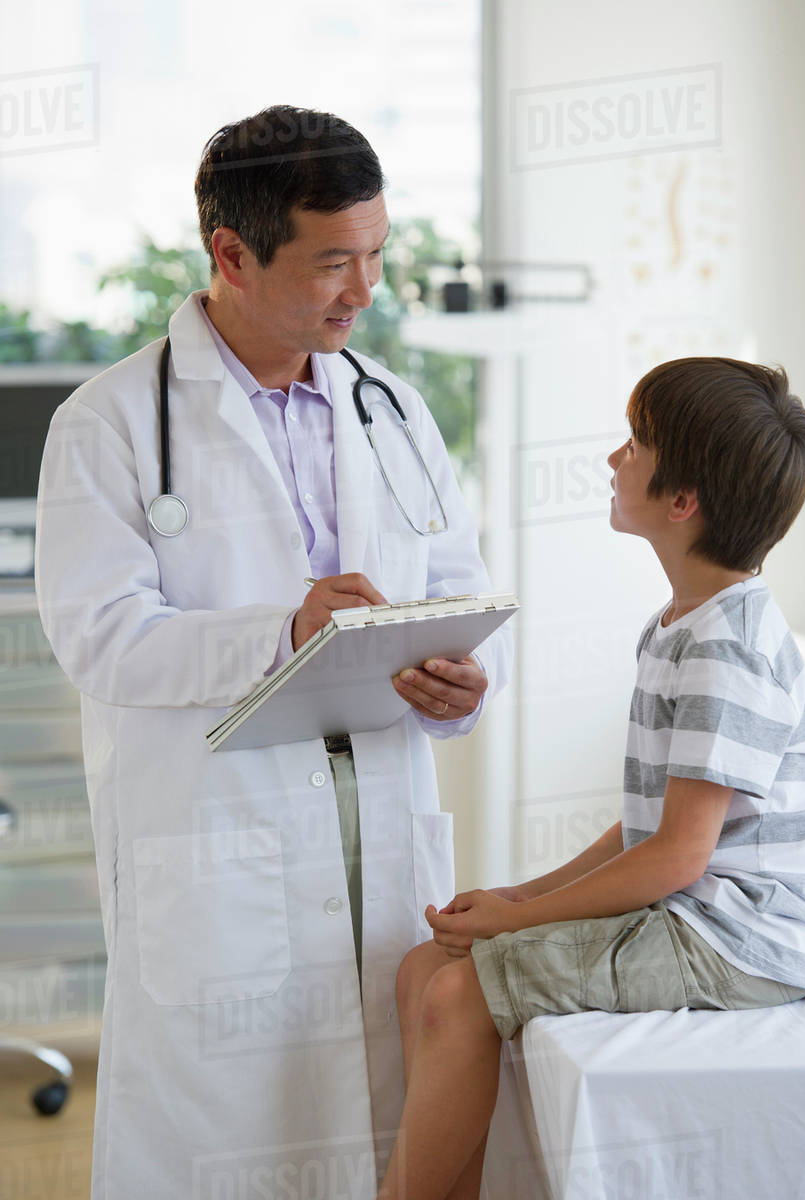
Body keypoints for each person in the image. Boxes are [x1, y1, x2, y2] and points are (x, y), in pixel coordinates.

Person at [34, 105, 512, 1200]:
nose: (367, 288)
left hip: (375, 830)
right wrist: (284, 633)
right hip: (216, 848)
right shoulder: (108, 425)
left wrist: (459, 683)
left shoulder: (391, 408)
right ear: (232, 255)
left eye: (378, 254)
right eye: (334, 261)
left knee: (382, 1119)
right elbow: (102, 641)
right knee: (224, 1139)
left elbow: (450, 589)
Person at [380, 357, 805, 1200]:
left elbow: (675, 861)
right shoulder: (679, 626)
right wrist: (519, 897)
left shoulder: (722, 648)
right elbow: (647, 833)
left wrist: (515, 920)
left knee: (458, 993)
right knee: (422, 971)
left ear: (683, 501)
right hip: (700, 911)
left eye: (636, 444)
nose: (612, 459)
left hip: (742, 941)